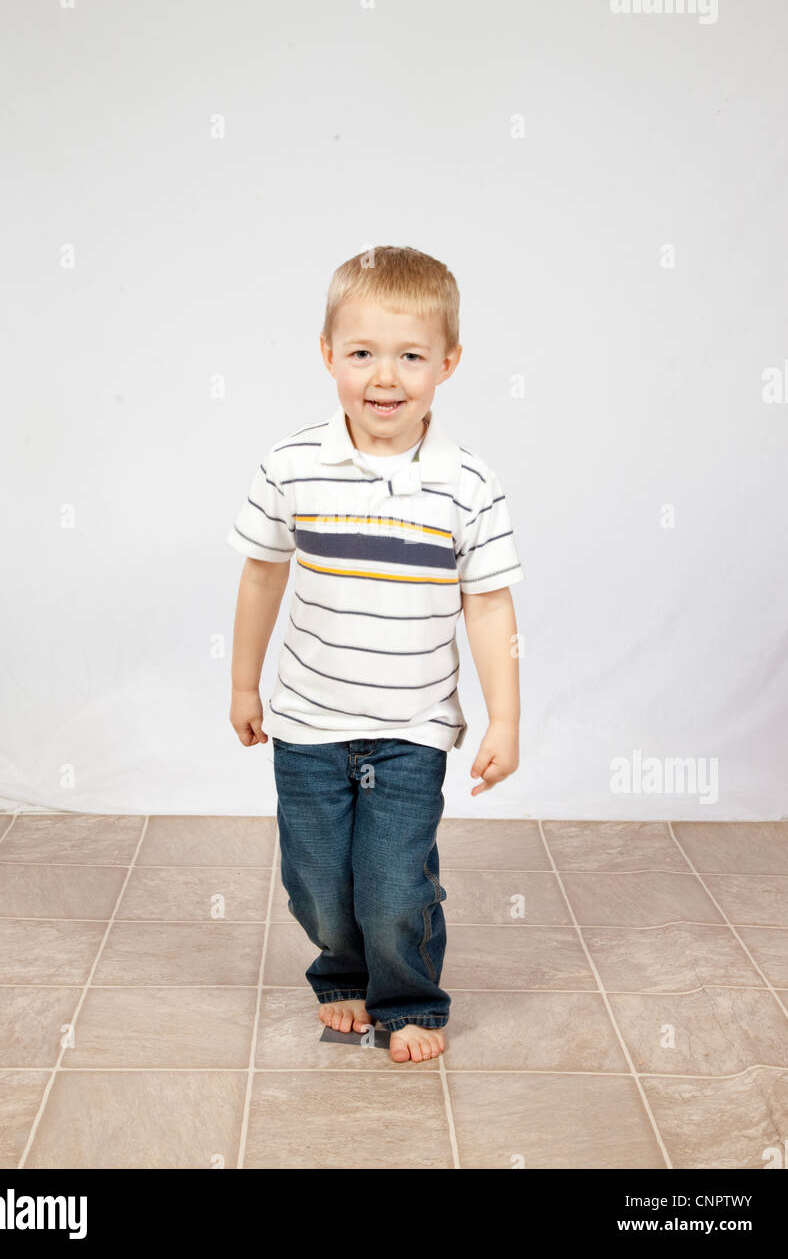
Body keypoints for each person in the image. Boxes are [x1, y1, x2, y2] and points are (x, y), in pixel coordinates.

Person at [228, 245, 525, 1063]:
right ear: (328, 354)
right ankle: (342, 973)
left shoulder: (467, 484)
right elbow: (260, 578)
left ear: (448, 363)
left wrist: (506, 718)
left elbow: (490, 604)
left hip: (411, 725)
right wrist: (243, 684)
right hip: (308, 719)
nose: (383, 377)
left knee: (394, 882)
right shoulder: (292, 465)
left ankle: (411, 999)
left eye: (410, 356)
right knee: (319, 884)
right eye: (361, 353)